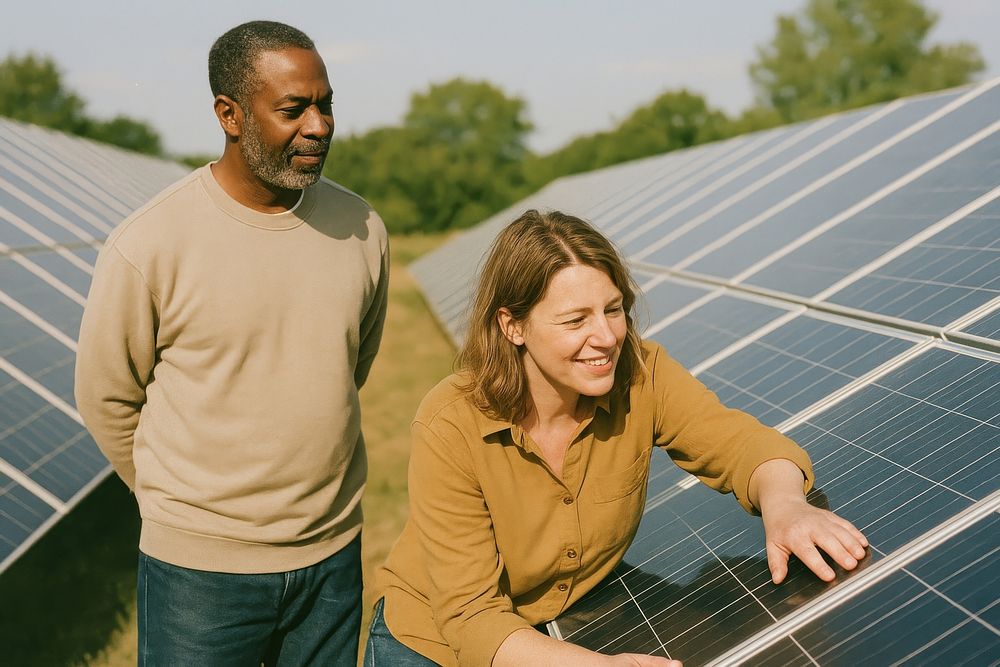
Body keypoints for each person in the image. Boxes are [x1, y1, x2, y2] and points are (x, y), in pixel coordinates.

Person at [367, 210, 867, 667]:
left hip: (570, 623)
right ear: (513, 326)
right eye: (575, 320)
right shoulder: (451, 424)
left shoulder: (642, 374)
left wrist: (786, 504)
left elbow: (744, 447)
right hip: (433, 645)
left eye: (613, 309)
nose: (607, 337)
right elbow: (473, 619)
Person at [74, 20, 388, 666]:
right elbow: (107, 397)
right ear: (230, 114)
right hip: (199, 575)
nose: (319, 126)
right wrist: (185, 509)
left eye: (326, 104)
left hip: (331, 559)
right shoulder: (150, 243)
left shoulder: (362, 228)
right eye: (293, 109)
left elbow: (349, 364)